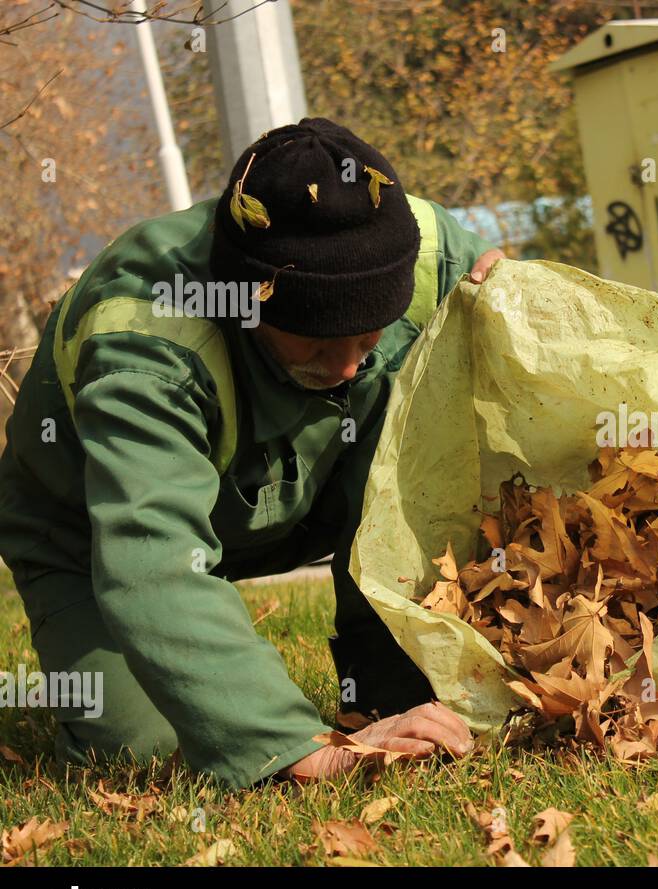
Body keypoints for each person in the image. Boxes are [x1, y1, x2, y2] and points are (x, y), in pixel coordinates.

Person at [0, 117, 502, 788]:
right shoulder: (147, 340)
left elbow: (515, 309)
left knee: (405, 413)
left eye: (367, 337)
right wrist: (293, 747)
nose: (351, 366)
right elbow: (153, 562)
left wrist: (518, 301)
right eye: (319, 344)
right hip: (90, 533)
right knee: (149, 754)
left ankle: (383, 682)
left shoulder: (407, 242)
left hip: (301, 491)